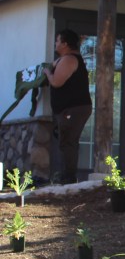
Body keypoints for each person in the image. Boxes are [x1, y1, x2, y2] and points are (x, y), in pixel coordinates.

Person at [44, 29, 92, 184]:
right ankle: (66, 175)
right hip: (67, 109)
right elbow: (53, 65)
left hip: (73, 108)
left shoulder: (70, 59)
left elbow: (57, 81)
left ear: (65, 43)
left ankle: (68, 177)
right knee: (67, 141)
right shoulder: (62, 59)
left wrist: (47, 74)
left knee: (68, 142)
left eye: (58, 41)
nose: (55, 43)